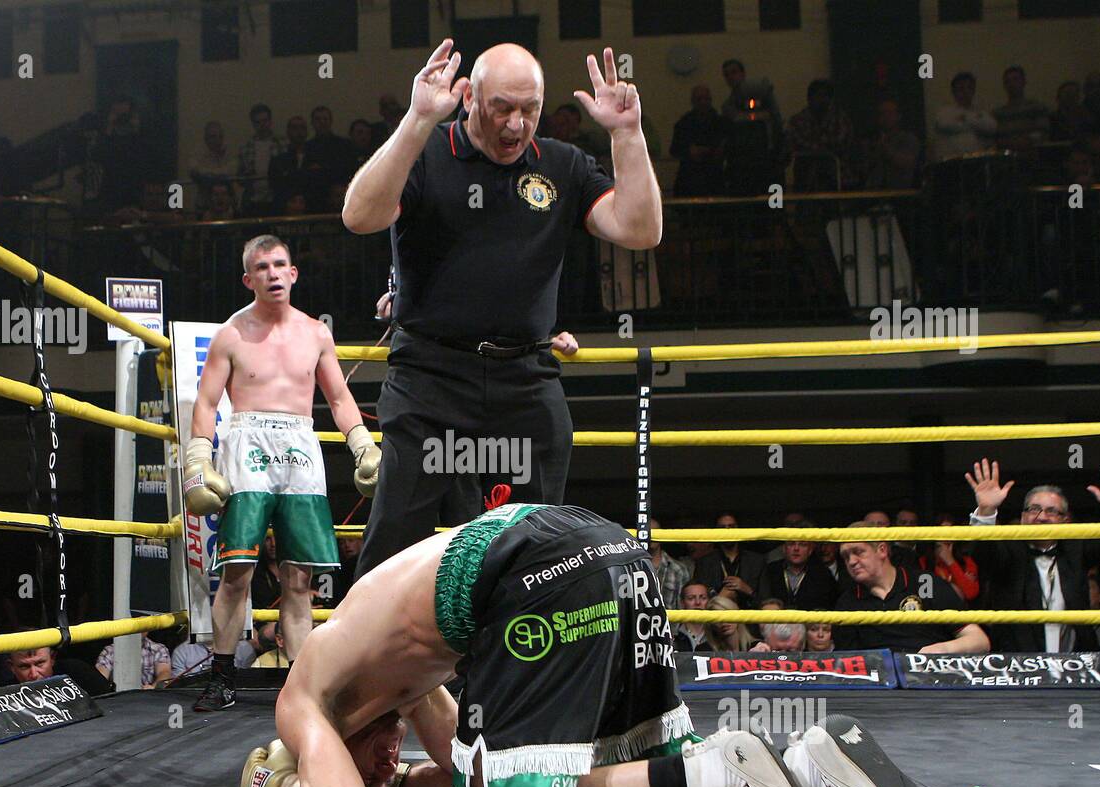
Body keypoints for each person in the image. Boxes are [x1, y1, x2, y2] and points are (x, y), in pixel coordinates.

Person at [241, 503, 944, 787]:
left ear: (319, 747)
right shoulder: (396, 678)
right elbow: (465, 763)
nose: (384, 762)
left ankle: (711, 768)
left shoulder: (302, 696)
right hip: (605, 547)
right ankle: (804, 764)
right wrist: (394, 781)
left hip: (528, 573)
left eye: (368, 761)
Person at [341, 41, 660, 578]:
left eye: (529, 109)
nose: (516, 124)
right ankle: (373, 662)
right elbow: (360, 215)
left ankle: (513, 660)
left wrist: (627, 134)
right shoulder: (425, 152)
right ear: (469, 97)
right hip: (430, 383)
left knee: (534, 547)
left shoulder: (563, 165)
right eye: (502, 108)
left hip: (523, 383)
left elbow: (640, 230)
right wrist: (418, 118)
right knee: (394, 544)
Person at [183, 234, 381, 712]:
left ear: (293, 273)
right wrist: (196, 460)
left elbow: (337, 398)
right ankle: (222, 676)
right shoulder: (231, 334)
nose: (273, 274)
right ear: (248, 279)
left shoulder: (316, 333)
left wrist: (363, 446)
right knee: (237, 570)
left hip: (299, 446)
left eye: (280, 265)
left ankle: (299, 687)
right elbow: (208, 402)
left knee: (298, 580)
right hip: (246, 444)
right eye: (262, 267)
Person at [965, 459, 1100, 651]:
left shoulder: (1075, 547)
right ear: (1023, 517)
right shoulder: (1008, 548)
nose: (1041, 517)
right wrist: (986, 510)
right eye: (1034, 509)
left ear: (1065, 520)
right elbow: (983, 552)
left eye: (1052, 511)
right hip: (1018, 667)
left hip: (1075, 665)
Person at [833, 522, 990, 654]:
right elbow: (849, 662)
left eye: (858, 552)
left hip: (932, 679)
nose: (852, 561)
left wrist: (940, 650)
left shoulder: (924, 582)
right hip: (880, 686)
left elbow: (979, 640)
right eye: (846, 557)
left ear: (882, 550)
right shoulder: (848, 603)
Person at [785, 79, 853, 191]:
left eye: (825, 96)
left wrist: (817, 147)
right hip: (805, 178)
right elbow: (794, 145)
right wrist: (822, 147)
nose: (821, 100)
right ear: (809, 98)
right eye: (818, 96)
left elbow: (841, 144)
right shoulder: (797, 121)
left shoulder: (840, 119)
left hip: (837, 177)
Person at [669, 84, 729, 196]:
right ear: (693, 101)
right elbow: (674, 149)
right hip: (690, 180)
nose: (703, 102)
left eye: (706, 99)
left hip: (714, 178)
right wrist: (689, 151)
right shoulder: (684, 123)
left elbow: (729, 147)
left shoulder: (721, 123)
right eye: (699, 99)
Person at [693, 512, 764, 604]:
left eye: (731, 527)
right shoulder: (704, 563)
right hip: (715, 616)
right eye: (722, 528)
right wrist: (720, 598)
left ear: (739, 529)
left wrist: (748, 590)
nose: (727, 531)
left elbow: (767, 600)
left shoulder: (756, 561)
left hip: (750, 616)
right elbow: (698, 601)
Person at [757, 531, 838, 610]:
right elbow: (762, 600)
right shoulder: (771, 570)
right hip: (775, 621)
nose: (796, 548)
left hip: (809, 621)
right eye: (791, 544)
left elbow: (830, 605)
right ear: (784, 549)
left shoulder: (822, 573)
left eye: (802, 545)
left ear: (810, 551)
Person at [2, 639, 112, 696]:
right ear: (11, 667)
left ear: (52, 658)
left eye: (40, 663)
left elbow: (109, 702)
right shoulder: (4, 693)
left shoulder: (78, 674)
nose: (34, 674)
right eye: (24, 666)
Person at [933, 72, 996, 161]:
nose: (966, 92)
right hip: (950, 163)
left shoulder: (981, 112)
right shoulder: (944, 112)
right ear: (954, 91)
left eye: (969, 88)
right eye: (961, 88)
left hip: (976, 162)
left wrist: (964, 119)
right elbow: (944, 124)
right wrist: (977, 124)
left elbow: (992, 127)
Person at [862, 97, 921, 190]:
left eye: (889, 113)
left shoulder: (908, 139)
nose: (886, 117)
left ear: (899, 116)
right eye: (882, 113)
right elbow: (864, 169)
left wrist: (886, 150)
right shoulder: (872, 140)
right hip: (874, 192)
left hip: (900, 193)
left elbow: (908, 163)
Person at [238, 103, 284, 215]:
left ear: (270, 121)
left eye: (265, 120)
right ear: (253, 124)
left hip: (276, 198)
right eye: (258, 122)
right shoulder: (245, 147)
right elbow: (240, 175)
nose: (262, 125)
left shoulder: (282, 144)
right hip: (253, 200)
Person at [992, 66, 1049, 153]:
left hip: (1031, 159)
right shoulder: (998, 113)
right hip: (1006, 161)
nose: (1012, 84)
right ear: (1004, 85)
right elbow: (995, 138)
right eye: (1008, 81)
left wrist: (1025, 141)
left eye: (1015, 79)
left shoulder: (1037, 108)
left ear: (1024, 82)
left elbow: (1043, 132)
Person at [95, 630, 172, 688]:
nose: (138, 628)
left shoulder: (159, 649)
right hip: (119, 700)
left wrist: (153, 688)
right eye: (135, 623)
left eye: (142, 624)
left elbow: (165, 673)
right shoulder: (110, 650)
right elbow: (100, 679)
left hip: (149, 698)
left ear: (149, 627)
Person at [671, 580, 711, 652]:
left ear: (709, 601)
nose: (698, 602)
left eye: (703, 598)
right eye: (691, 598)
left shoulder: (716, 634)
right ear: (682, 603)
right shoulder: (673, 635)